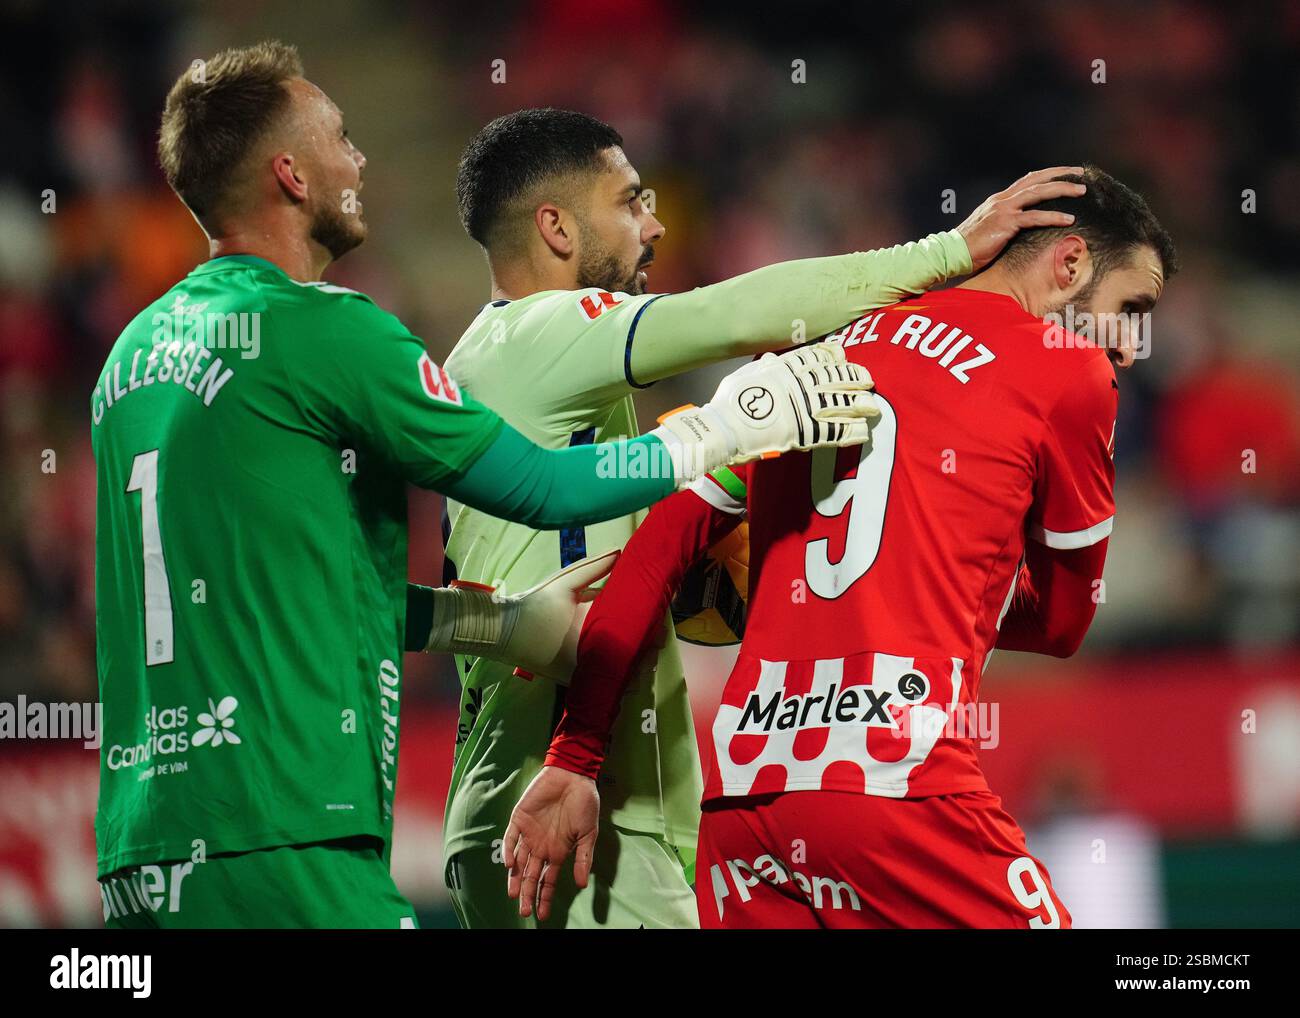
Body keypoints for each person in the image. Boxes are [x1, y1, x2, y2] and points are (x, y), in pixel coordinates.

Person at [92, 41, 877, 929]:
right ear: (292, 174)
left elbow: (300, 599)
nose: (360, 159)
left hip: (141, 848)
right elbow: (542, 487)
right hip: (285, 831)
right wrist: (726, 428)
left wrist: (494, 623)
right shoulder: (322, 332)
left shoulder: (130, 361)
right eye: (341, 138)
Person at [435, 105, 1087, 927]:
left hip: (513, 808)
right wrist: (950, 251)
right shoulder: (541, 330)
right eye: (632, 201)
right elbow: (740, 313)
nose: (657, 224)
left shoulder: (487, 365)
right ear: (556, 228)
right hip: (581, 824)